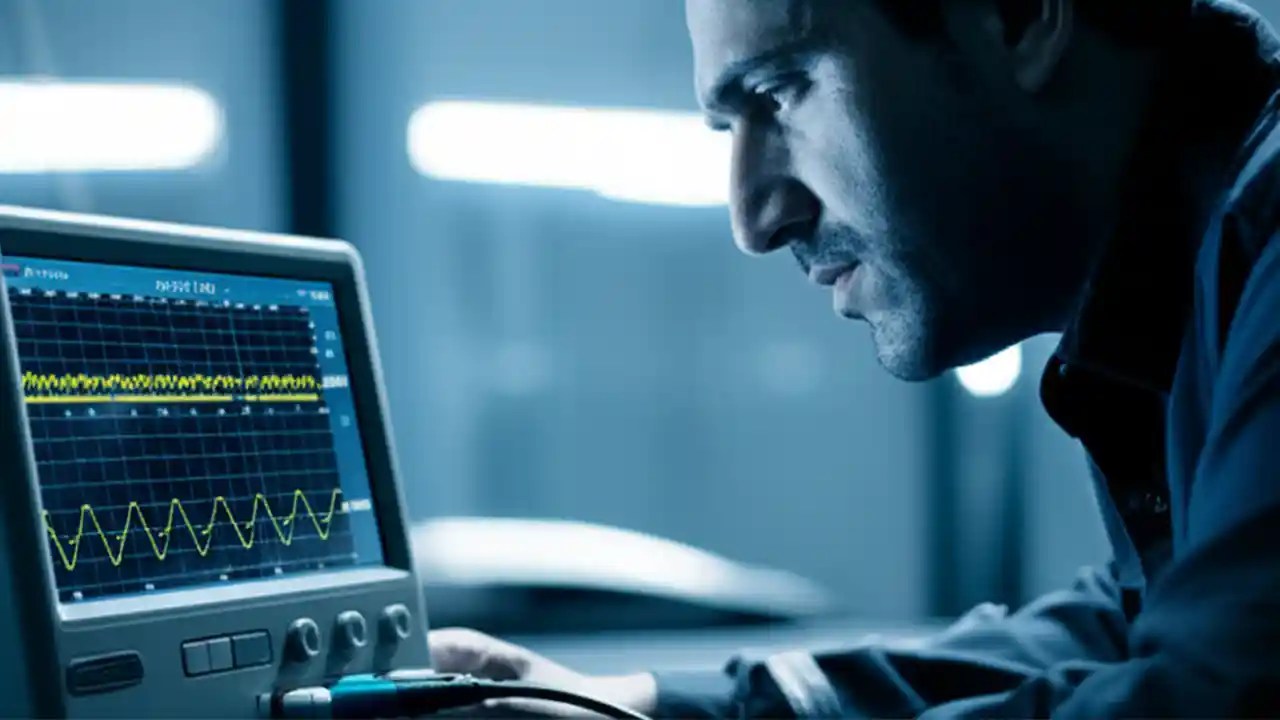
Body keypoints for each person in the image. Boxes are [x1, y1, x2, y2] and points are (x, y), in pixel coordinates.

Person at [429, 0, 1280, 716]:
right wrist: (632, 704)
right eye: (728, 128)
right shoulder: (1198, 278)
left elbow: (1214, 697)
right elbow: (1134, 628)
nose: (754, 218)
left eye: (780, 91)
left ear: (1019, 16)